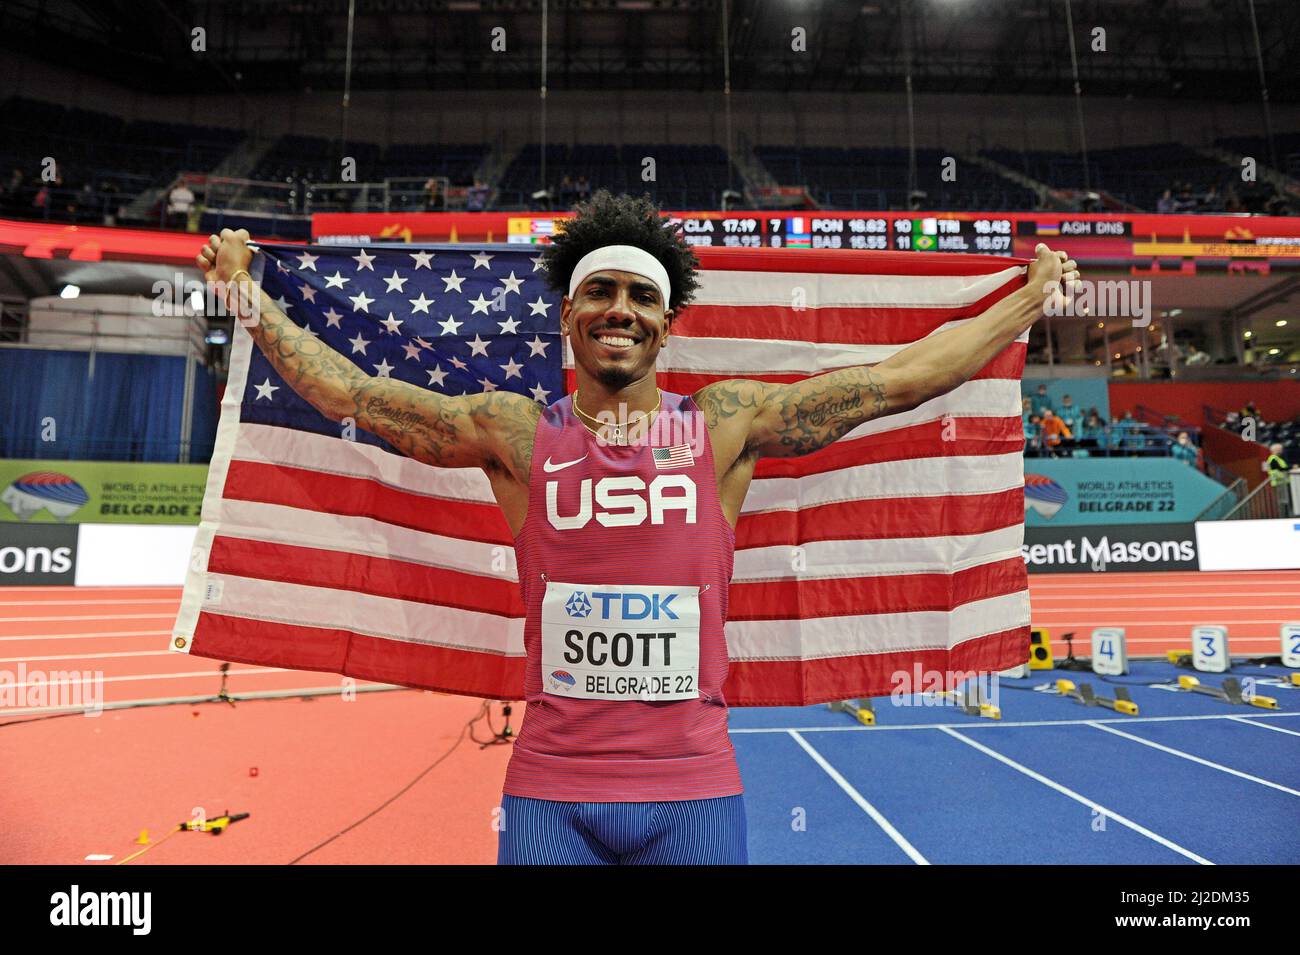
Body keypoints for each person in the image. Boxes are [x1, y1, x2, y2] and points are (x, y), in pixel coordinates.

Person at [196, 190, 1078, 866]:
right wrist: (245, 297)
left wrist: (1029, 300)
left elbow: (899, 382)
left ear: (666, 325)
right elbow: (351, 396)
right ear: (570, 316)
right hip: (549, 792)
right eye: (600, 292)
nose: (620, 308)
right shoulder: (513, 432)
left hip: (691, 794)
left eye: (639, 297)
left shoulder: (722, 427)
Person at [1265, 442, 1291, 517]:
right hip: (1279, 483)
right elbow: (1279, 469)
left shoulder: (1278, 458)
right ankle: (1284, 516)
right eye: (1280, 449)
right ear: (1276, 450)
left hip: (1283, 483)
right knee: (1282, 501)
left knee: (1285, 500)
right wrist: (1290, 468)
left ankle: (1286, 515)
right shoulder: (1273, 458)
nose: (1281, 451)